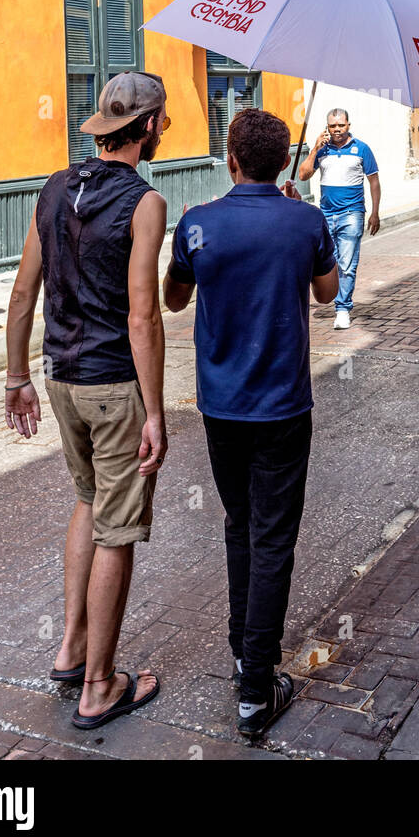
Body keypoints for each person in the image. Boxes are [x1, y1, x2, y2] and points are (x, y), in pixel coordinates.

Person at [164, 109, 338, 737]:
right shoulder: (306, 220)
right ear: (281, 161)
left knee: (241, 523)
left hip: (221, 407)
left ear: (230, 159)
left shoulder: (197, 222)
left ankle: (245, 650)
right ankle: (255, 686)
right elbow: (326, 291)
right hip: (285, 406)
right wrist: (296, 222)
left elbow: (173, 297)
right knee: (272, 538)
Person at [4, 72, 170, 731]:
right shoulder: (145, 202)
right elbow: (142, 318)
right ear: (152, 126)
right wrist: (155, 412)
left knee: (87, 500)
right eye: (165, 121)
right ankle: (100, 686)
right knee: (118, 529)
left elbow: (22, 294)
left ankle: (72, 648)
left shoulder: (52, 188)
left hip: (60, 379)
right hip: (112, 385)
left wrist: (16, 378)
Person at [298, 109, 380, 329]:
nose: (336, 130)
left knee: (347, 264)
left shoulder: (362, 149)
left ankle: (342, 308)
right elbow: (303, 175)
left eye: (340, 125)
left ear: (348, 125)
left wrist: (375, 212)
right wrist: (315, 148)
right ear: (328, 127)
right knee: (325, 261)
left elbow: (374, 182)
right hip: (325, 214)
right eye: (332, 126)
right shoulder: (322, 150)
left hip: (352, 214)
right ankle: (330, 299)